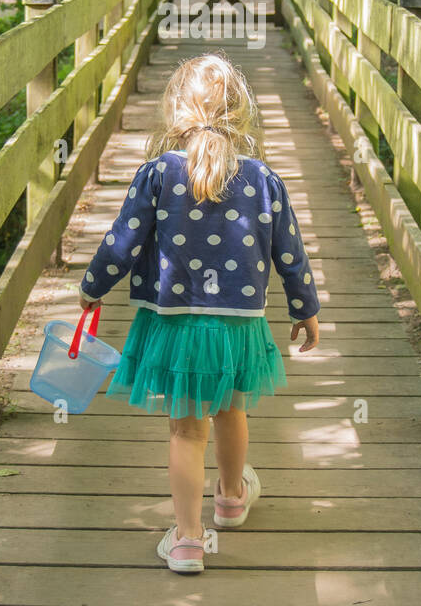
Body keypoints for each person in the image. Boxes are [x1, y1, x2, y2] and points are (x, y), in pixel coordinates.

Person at [78, 51, 321, 573]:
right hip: (238, 327)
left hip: (175, 325)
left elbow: (122, 242)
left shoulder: (157, 174)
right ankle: (232, 498)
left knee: (186, 429)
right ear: (240, 113)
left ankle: (188, 540)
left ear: (176, 113)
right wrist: (305, 308)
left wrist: (93, 287)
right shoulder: (262, 179)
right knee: (233, 409)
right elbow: (290, 252)